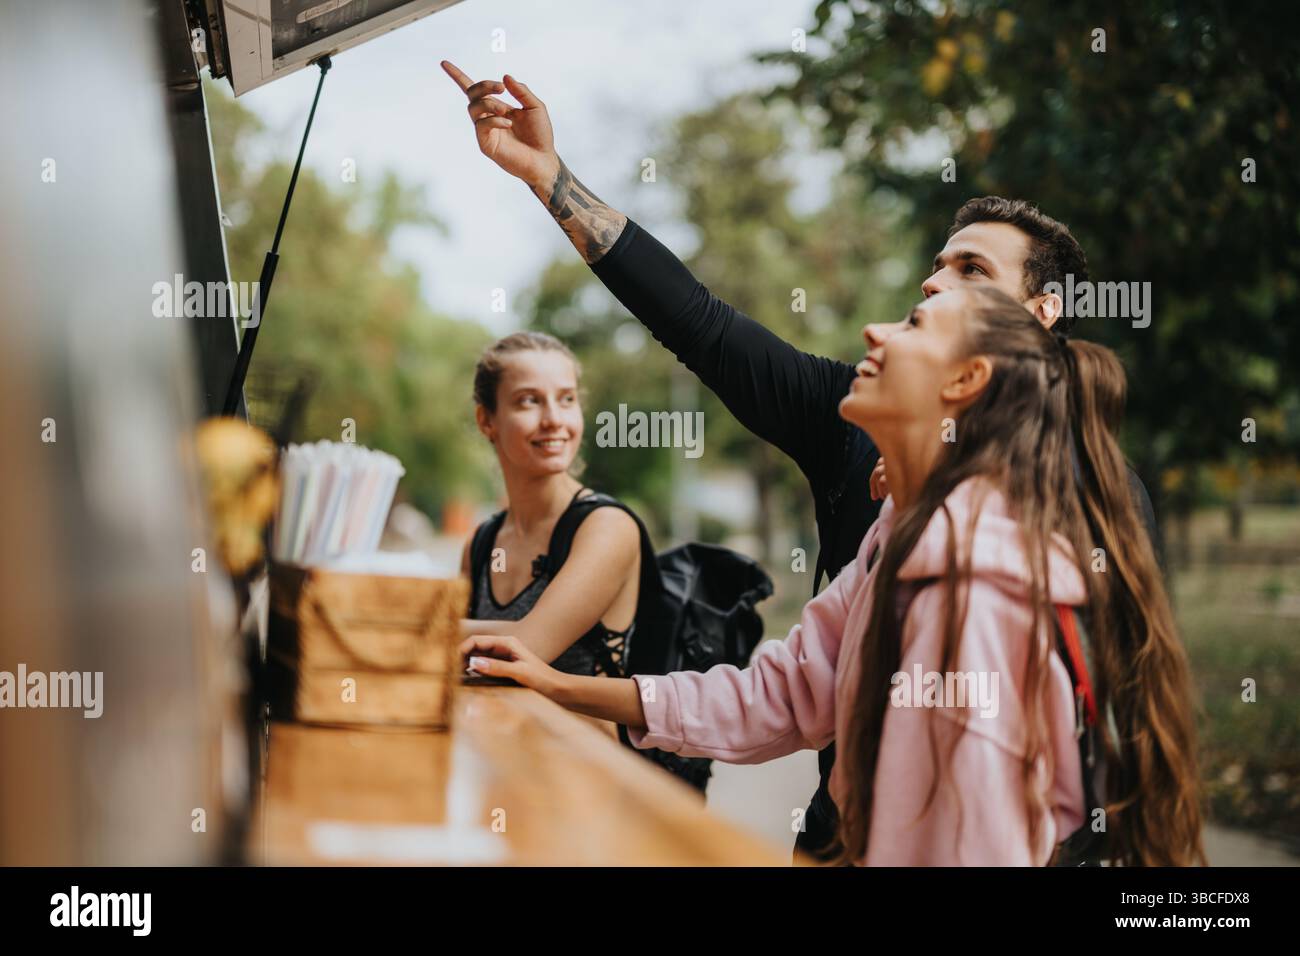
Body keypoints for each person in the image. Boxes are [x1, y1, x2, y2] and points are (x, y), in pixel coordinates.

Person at [439, 61, 1163, 859]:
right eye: (938, 262)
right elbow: (702, 325)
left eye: (971, 270)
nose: (927, 283)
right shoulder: (867, 448)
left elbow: (1085, 749)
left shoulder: (1061, 515)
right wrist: (548, 177)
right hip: (837, 840)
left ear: (1039, 315)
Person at [461, 286, 1205, 866]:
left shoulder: (970, 586)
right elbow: (778, 695)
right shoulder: (897, 539)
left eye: (914, 326)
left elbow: (969, 850)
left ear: (966, 380)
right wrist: (557, 684)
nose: (874, 333)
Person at [459, 332, 641, 709]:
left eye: (567, 399)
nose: (554, 420)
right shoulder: (481, 543)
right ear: (486, 420)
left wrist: (398, 627)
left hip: (583, 763)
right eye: (529, 401)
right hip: (498, 754)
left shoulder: (606, 527)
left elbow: (523, 648)